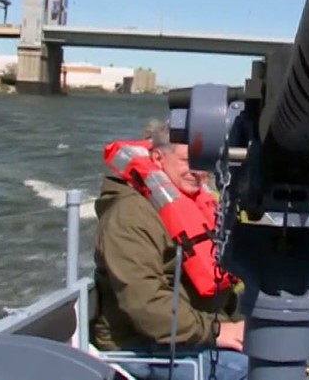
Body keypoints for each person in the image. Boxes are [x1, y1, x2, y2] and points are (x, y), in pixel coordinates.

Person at [90, 121, 248, 380]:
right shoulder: (130, 216)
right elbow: (145, 304)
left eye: (203, 161)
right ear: (157, 158)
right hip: (141, 346)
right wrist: (219, 331)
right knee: (260, 372)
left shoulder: (194, 202)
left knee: (281, 351)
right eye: (187, 160)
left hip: (193, 332)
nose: (198, 171)